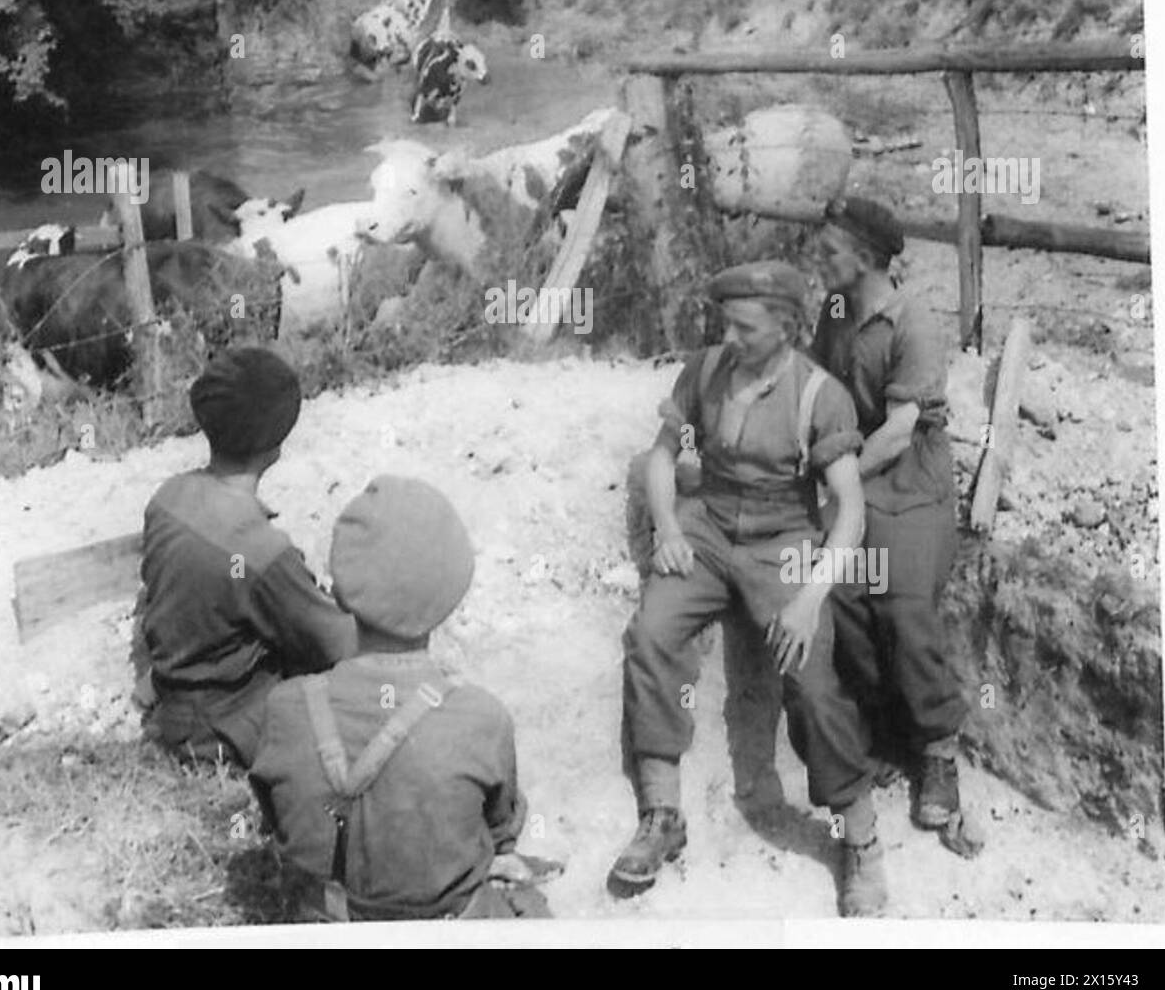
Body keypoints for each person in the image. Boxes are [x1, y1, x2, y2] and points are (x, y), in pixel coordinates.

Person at [613, 260, 887, 917]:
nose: (729, 338)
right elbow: (662, 455)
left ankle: (861, 838)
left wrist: (809, 598)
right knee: (651, 633)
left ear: (787, 328)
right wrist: (668, 527)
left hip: (784, 539)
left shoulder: (819, 395)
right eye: (726, 324)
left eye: (746, 328)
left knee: (811, 679)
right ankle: (662, 812)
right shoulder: (705, 371)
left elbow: (849, 509)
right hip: (708, 527)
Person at [251, 475, 552, 922]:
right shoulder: (481, 718)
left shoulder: (286, 707)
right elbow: (500, 827)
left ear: (341, 593)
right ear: (452, 595)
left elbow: (275, 819)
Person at [811, 199, 973, 846]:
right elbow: (818, 389)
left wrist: (839, 480)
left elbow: (901, 430)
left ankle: (937, 748)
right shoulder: (835, 312)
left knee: (903, 603)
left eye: (829, 251)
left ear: (865, 259)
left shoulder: (914, 323)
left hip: (909, 482)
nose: (819, 260)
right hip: (857, 473)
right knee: (842, 594)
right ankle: (883, 728)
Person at [137, 347, 356, 767]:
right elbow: (340, 646)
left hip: (174, 705)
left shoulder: (168, 498)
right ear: (277, 442)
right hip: (223, 729)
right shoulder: (263, 552)